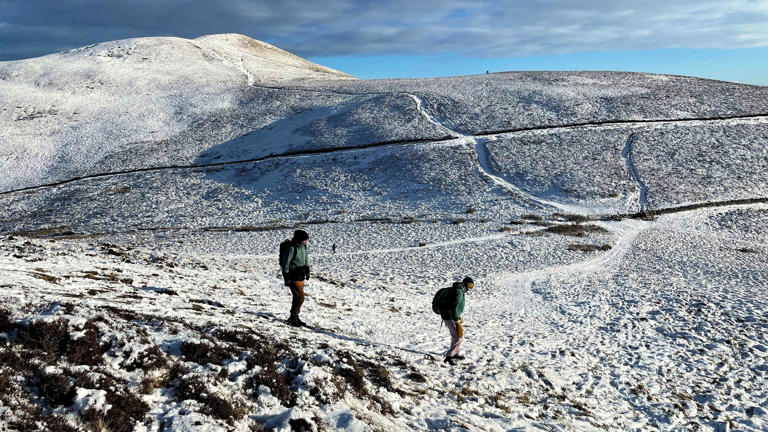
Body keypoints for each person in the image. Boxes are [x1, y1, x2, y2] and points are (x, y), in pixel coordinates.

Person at [280, 229, 311, 327]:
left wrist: (307, 269)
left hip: (300, 274)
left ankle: (295, 316)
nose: (305, 241)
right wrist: (286, 276)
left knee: (298, 297)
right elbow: (286, 263)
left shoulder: (303, 247)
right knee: (300, 296)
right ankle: (293, 317)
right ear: (299, 239)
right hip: (293, 275)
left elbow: (306, 258)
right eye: (304, 240)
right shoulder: (292, 248)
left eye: (306, 240)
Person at [441, 277, 474, 365]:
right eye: (469, 285)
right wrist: (457, 321)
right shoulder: (458, 292)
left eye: (472, 286)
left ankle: (454, 353)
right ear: (465, 284)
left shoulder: (459, 290)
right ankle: (449, 357)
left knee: (455, 336)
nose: (470, 288)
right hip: (451, 317)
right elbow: (454, 307)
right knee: (459, 337)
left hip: (450, 316)